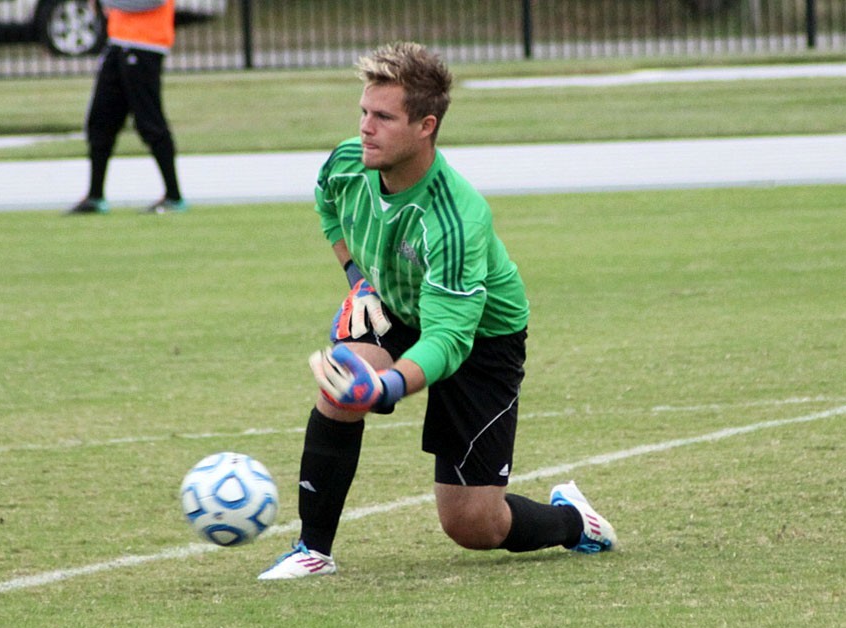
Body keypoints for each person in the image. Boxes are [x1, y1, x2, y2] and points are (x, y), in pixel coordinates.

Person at [258, 42, 616, 580]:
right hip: (396, 306)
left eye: (383, 117)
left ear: (426, 126)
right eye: (363, 112)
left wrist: (386, 388)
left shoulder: (454, 219)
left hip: (480, 339)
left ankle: (574, 523)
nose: (365, 128)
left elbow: (450, 339)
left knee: (473, 526)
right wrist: (358, 282)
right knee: (342, 377)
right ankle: (313, 548)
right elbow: (327, 206)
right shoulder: (347, 164)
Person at [67, 0, 186, 215]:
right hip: (118, 42)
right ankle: (95, 196)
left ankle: (173, 196)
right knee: (100, 120)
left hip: (145, 45)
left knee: (149, 121)